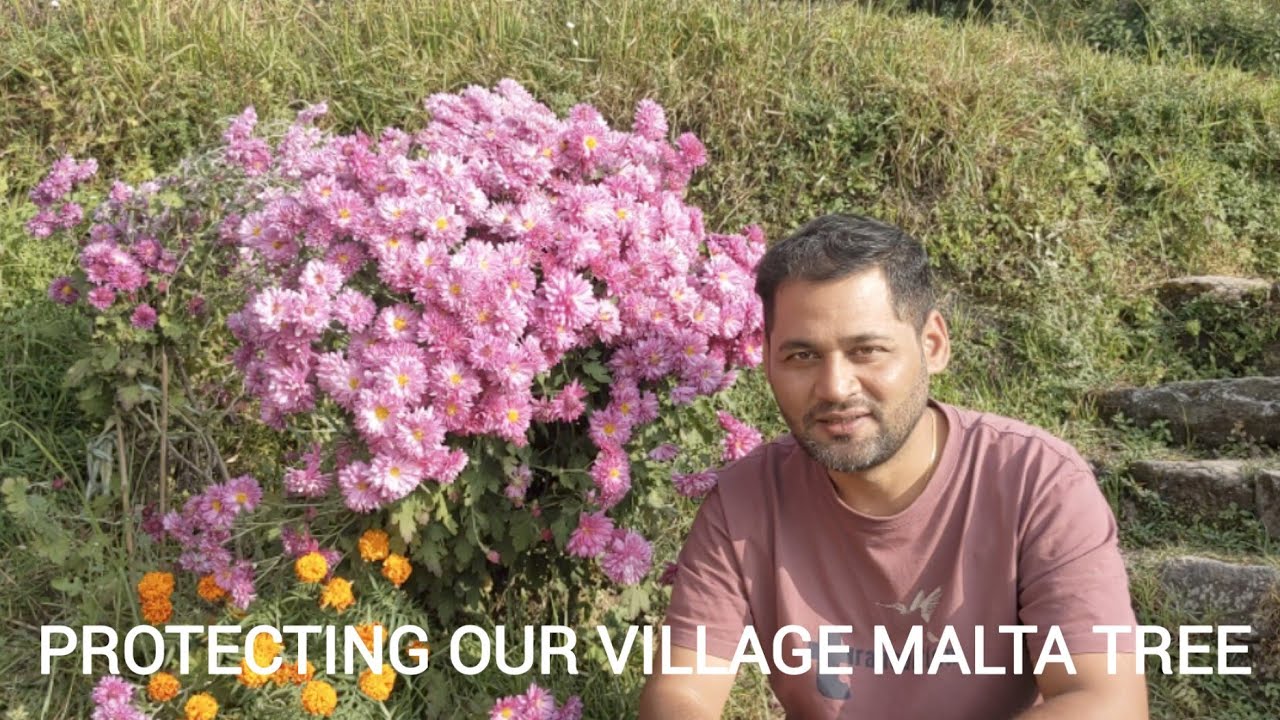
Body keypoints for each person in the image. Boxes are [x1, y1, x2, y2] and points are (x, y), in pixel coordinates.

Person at [639, 215, 1147, 718]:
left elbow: (1104, 702)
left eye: (867, 351)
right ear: (768, 360)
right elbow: (682, 695)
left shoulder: (1036, 482)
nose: (835, 387)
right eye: (801, 356)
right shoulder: (745, 503)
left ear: (933, 345)